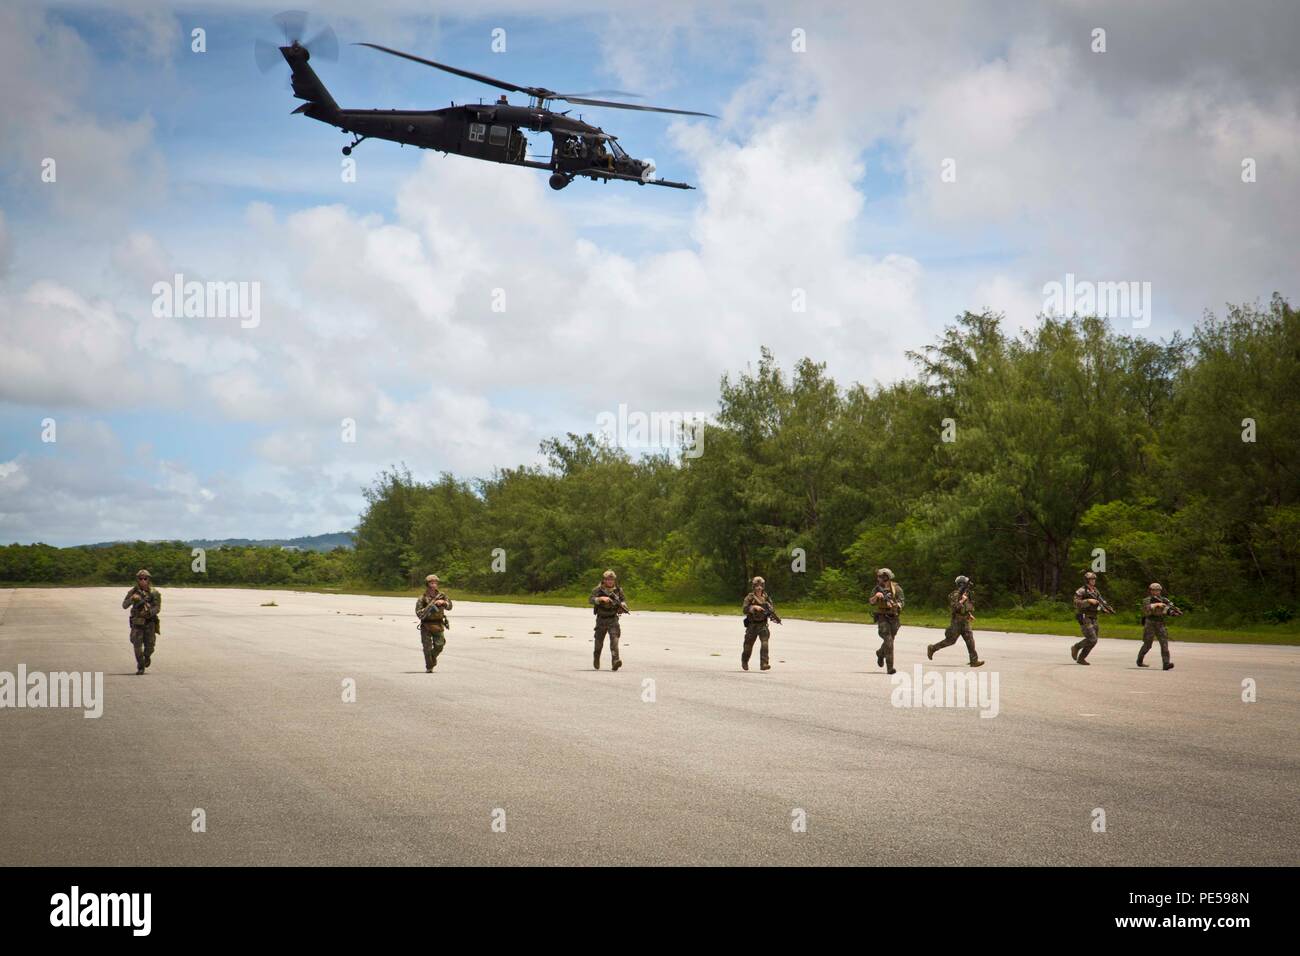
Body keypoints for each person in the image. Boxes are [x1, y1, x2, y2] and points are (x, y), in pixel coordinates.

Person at [927, 575, 984, 666]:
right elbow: (954, 608)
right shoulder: (955, 594)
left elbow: (966, 607)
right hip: (956, 622)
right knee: (950, 641)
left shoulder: (967, 594)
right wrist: (961, 601)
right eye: (966, 584)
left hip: (965, 621)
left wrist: (969, 614)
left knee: (970, 641)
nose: (968, 586)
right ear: (962, 584)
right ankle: (932, 648)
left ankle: (974, 661)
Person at [121, 569, 161, 675]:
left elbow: (157, 608)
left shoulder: (154, 593)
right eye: (140, 578)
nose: (143, 580)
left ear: (149, 580)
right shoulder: (133, 592)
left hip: (150, 623)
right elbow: (124, 605)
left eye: (145, 578)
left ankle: (147, 656)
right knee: (137, 645)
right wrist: (132, 599)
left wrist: (148, 613)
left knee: (150, 646)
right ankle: (140, 666)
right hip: (137, 623)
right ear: (137, 580)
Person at [1070, 570, 1113, 665]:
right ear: (1086, 580)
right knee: (1092, 639)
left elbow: (1101, 601)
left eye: (1094, 579)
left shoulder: (1095, 590)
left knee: (1094, 641)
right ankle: (1076, 647)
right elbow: (1076, 603)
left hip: (1094, 617)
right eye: (1091, 579)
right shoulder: (1081, 591)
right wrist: (1088, 600)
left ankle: (1081, 658)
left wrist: (1106, 609)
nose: (1093, 580)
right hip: (1085, 617)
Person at [589, 570, 628, 671]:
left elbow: (623, 600)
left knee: (614, 641)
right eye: (608, 579)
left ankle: (615, 661)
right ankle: (596, 657)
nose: (610, 581)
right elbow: (590, 600)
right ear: (604, 580)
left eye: (612, 579)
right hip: (601, 619)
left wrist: (623, 605)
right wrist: (601, 598)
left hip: (613, 619)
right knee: (598, 644)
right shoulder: (598, 590)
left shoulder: (618, 590)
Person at [868, 568, 904, 674]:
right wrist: (876, 596)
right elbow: (871, 602)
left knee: (890, 640)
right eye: (878, 576)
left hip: (894, 618)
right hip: (882, 617)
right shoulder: (876, 589)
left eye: (880, 577)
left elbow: (902, 601)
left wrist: (896, 604)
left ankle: (880, 653)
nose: (878, 579)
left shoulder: (896, 588)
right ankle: (890, 668)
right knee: (888, 641)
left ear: (886, 577)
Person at [741, 576, 781, 671]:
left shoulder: (766, 597)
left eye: (761, 585)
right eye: (757, 586)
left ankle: (764, 663)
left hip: (763, 624)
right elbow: (744, 609)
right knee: (748, 646)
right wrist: (754, 607)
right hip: (752, 625)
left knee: (765, 644)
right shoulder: (750, 597)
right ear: (753, 586)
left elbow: (772, 608)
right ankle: (745, 661)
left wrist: (771, 612)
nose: (759, 588)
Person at [415, 574, 453, 672]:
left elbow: (450, 607)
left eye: (435, 583)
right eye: (431, 583)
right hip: (426, 625)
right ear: (427, 584)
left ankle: (432, 658)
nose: (434, 585)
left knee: (439, 645)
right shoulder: (422, 598)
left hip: (438, 624)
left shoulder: (442, 596)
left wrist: (443, 602)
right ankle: (429, 666)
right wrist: (430, 607)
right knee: (427, 647)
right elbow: (419, 614)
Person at [1138, 582, 1180, 670]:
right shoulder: (1147, 600)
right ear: (1150, 591)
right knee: (1147, 644)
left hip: (1160, 623)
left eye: (1157, 590)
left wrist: (1173, 612)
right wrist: (1156, 605)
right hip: (1150, 623)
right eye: (1153, 590)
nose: (1155, 592)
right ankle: (1140, 660)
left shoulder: (1164, 600)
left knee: (1164, 644)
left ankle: (1166, 663)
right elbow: (1146, 610)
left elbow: (1167, 610)